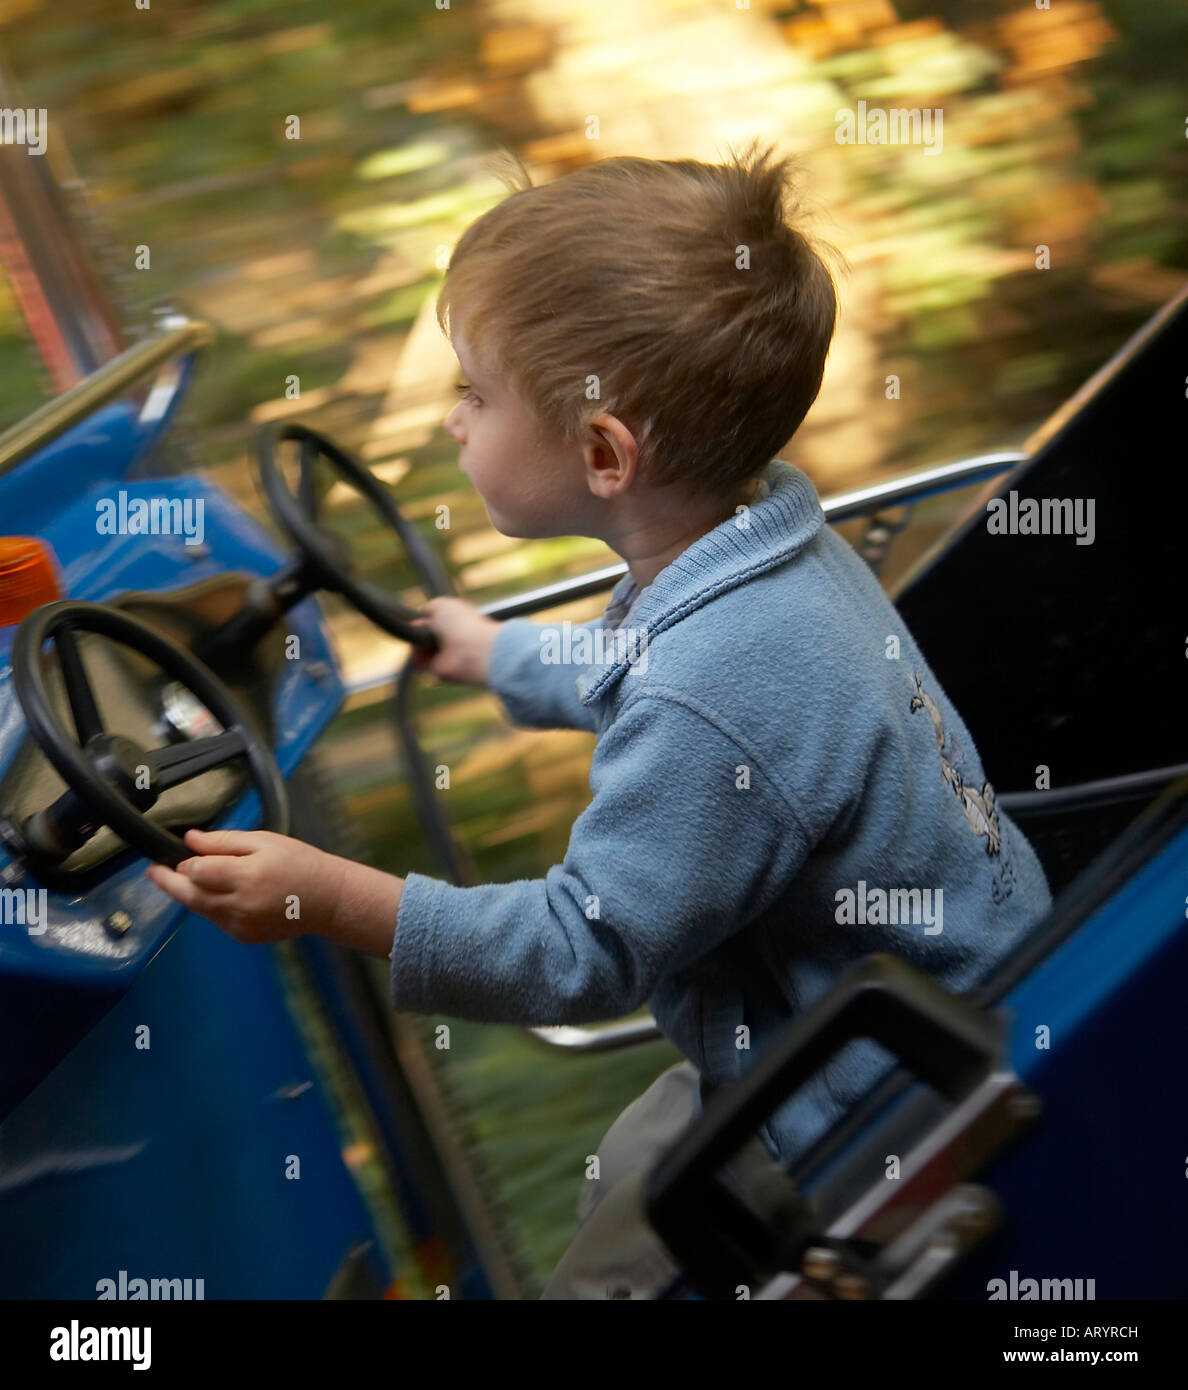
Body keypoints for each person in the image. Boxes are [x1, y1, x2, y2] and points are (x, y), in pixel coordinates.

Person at [146, 144, 1052, 1299]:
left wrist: (326, 897)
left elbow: (580, 952)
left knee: (612, 1260)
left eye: (475, 394)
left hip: (853, 1108)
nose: (451, 422)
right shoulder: (771, 547)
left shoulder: (711, 683)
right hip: (902, 1013)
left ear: (603, 453)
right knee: (625, 1154)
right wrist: (495, 653)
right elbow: (656, 662)